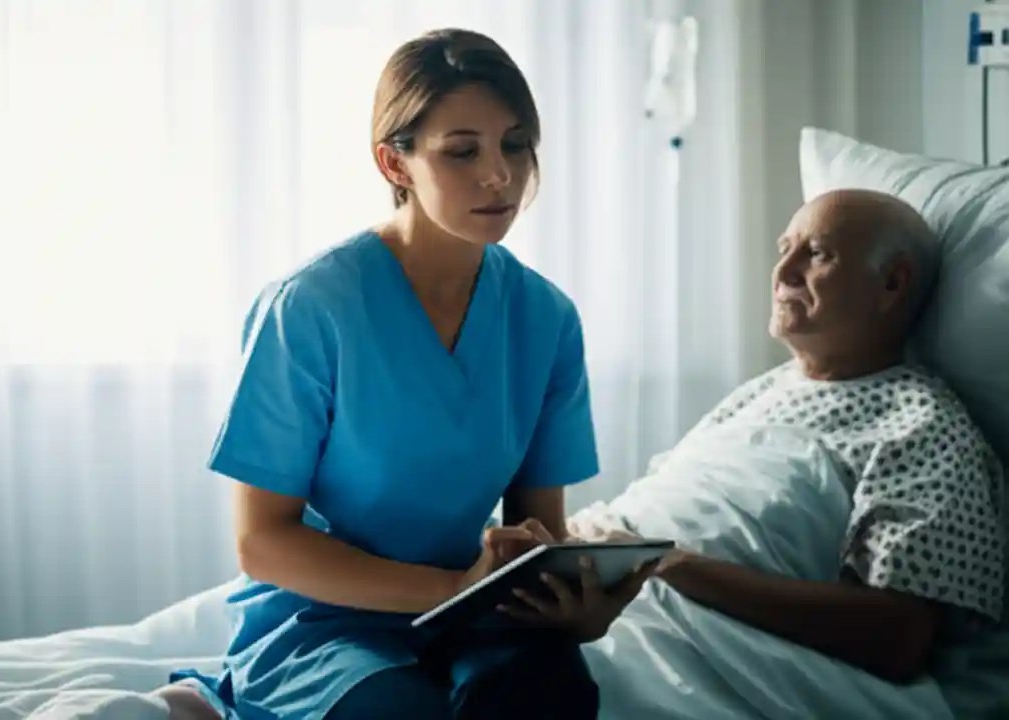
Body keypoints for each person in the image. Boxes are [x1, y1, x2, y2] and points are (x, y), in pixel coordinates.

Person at [153, 27, 654, 720]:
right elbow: (262, 541)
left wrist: (578, 607)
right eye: (462, 151)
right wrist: (450, 585)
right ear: (395, 164)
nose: (500, 175)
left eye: (515, 144)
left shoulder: (545, 319)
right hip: (322, 621)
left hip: (474, 614)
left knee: (551, 692)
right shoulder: (311, 308)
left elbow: (538, 529)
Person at [577, 189, 1006, 684]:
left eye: (817, 254)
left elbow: (898, 637)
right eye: (785, 249)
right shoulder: (759, 395)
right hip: (604, 593)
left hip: (701, 648)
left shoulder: (922, 428)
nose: (782, 273)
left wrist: (671, 566)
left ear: (892, 283)